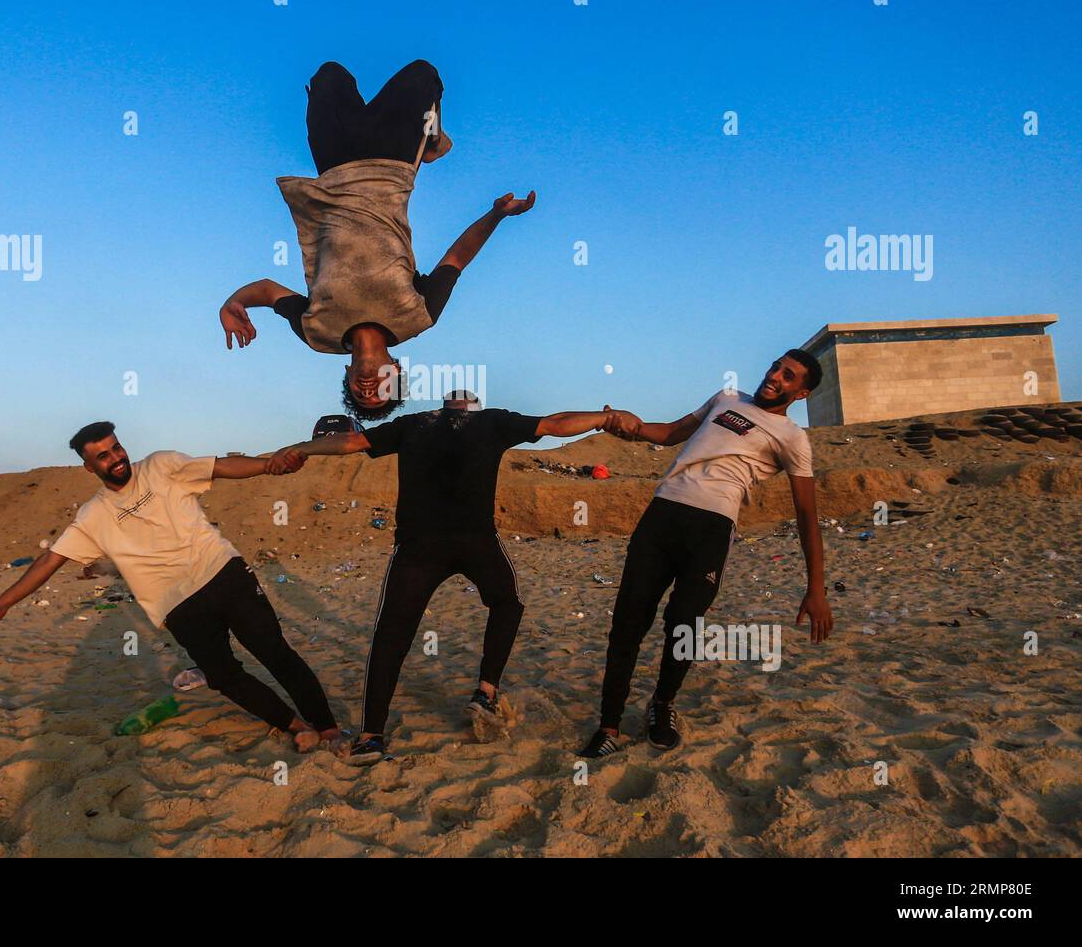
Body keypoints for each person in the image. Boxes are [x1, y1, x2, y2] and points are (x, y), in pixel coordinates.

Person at [269, 391, 615, 765]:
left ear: (444, 405)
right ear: (474, 404)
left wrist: (301, 446)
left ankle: (372, 737)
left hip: (419, 547)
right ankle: (485, 690)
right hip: (476, 541)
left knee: (391, 635)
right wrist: (602, 418)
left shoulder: (414, 423)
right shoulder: (493, 421)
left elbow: (352, 440)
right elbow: (555, 424)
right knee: (507, 604)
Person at [0, 422, 340, 753]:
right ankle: (296, 726)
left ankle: (329, 729)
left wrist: (267, 466)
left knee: (274, 652)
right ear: (89, 466)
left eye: (116, 448)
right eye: (104, 457)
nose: (116, 459)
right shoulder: (93, 516)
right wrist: (3, 602)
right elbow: (51, 560)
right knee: (223, 676)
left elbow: (220, 466)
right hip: (176, 604)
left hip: (222, 572)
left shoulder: (161, 465)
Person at [218, 60, 536, 421]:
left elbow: (268, 291)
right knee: (424, 74)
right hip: (392, 165)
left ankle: (422, 135)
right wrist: (497, 215)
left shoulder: (317, 332)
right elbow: (457, 258)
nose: (370, 388)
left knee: (328, 75)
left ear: (349, 378)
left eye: (361, 393)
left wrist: (233, 302)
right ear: (396, 373)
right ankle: (430, 140)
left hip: (335, 169)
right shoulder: (418, 316)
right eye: (383, 390)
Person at [579, 351, 835, 758]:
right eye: (775, 367)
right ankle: (608, 725)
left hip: (713, 528)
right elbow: (667, 434)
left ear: (801, 393)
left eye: (788, 377)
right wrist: (629, 427)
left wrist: (816, 588)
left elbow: (807, 515)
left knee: (684, 624)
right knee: (628, 621)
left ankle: (662, 705)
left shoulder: (792, 439)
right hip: (662, 514)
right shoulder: (727, 398)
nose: (774, 377)